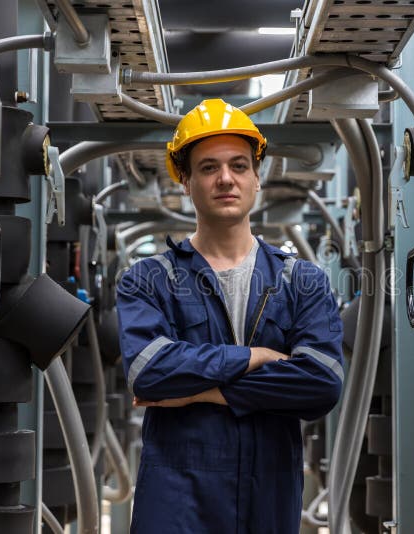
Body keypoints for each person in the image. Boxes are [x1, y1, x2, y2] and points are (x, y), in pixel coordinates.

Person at [116, 98, 344, 534]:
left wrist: (201, 393)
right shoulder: (146, 279)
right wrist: (255, 355)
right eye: (208, 167)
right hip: (177, 504)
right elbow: (149, 373)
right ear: (185, 181)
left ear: (257, 177)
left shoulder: (304, 280)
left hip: (268, 499)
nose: (226, 179)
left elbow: (322, 384)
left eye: (239, 166)